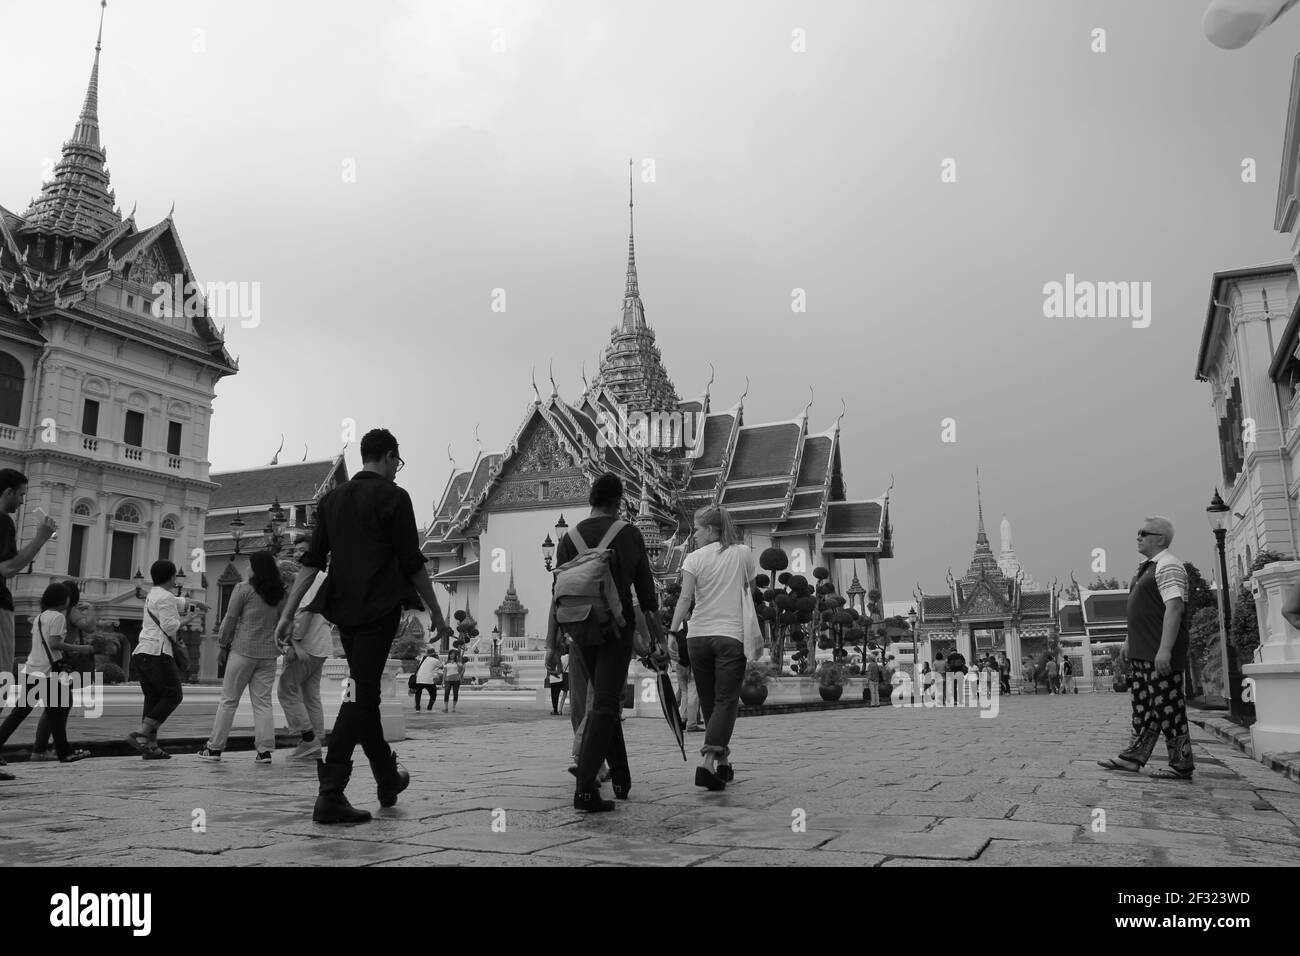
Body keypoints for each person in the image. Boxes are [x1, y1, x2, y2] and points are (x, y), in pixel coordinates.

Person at [276, 428, 447, 824]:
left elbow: (311, 563)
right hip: (378, 609)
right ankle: (330, 791)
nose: (396, 471)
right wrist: (437, 614)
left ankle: (386, 777)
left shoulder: (333, 500)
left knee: (363, 692)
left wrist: (288, 613)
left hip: (344, 611)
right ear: (388, 457)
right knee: (358, 694)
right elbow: (412, 562)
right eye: (397, 463)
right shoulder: (395, 497)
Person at [546, 472, 659, 812]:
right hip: (614, 628)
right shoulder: (629, 534)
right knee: (607, 704)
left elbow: (556, 594)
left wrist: (552, 645)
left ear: (591, 501)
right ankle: (585, 791)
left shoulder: (570, 537)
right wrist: (658, 639)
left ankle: (621, 776)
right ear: (618, 502)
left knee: (604, 703)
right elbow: (647, 596)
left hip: (578, 629)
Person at [1098, 517, 1195, 780]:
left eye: (1144, 533)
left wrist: (1165, 649)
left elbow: (1174, 608)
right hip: (1143, 651)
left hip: (1159, 652)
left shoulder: (1169, 565)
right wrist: (1130, 640)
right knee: (1145, 708)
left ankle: (1181, 764)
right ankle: (1133, 757)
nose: (1138, 537)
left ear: (1160, 539)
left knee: (1168, 708)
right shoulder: (1145, 569)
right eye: (1138, 533)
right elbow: (1141, 611)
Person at [667, 505, 757, 791]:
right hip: (729, 636)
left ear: (711, 529)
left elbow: (685, 599)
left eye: (697, 528)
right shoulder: (742, 553)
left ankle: (722, 764)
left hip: (697, 637)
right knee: (725, 701)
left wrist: (671, 631)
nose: (693, 534)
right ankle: (707, 764)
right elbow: (750, 590)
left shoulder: (693, 559)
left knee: (710, 702)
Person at [197, 551, 285, 763]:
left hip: (243, 651)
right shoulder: (280, 594)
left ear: (256, 568)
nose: (247, 568)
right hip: (268, 655)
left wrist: (222, 645)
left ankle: (215, 748)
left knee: (228, 701)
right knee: (263, 703)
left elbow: (230, 619)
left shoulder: (243, 589)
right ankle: (264, 751)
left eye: (250, 565)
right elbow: (283, 623)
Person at [0, 581, 91, 774]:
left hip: (33, 670)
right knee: (57, 713)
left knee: (20, 714)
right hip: (50, 672)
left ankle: (63, 752)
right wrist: (80, 648)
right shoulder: (58, 617)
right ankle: (64, 753)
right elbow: (55, 643)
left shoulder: (40, 616)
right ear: (62, 600)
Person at [127, 561, 200, 759]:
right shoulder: (166, 596)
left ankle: (150, 746)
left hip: (142, 651)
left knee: (153, 698)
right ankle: (141, 734)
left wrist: (191, 602)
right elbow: (169, 626)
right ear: (171, 577)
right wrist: (186, 620)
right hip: (157, 653)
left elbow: (171, 602)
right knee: (173, 695)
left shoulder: (152, 593)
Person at [0, 469, 58, 690]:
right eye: (21, 494)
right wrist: (41, 537)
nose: (22, 501)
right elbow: (7, 568)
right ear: (8, 492)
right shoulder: (3, 521)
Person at [277, 548, 333, 760]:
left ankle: (308, 739)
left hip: (307, 646)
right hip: (322, 643)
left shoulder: (306, 580)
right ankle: (316, 739)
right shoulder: (323, 577)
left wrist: (296, 644)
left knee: (286, 689)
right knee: (310, 693)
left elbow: (305, 612)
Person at [674, 624, 702, 731]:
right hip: (691, 666)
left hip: (679, 664)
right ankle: (691, 723)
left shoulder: (677, 633)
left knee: (684, 693)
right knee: (693, 695)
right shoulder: (695, 631)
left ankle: (682, 719)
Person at [413, 647, 443, 712]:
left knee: (418, 693)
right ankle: (429, 708)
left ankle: (417, 708)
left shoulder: (422, 658)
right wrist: (437, 658)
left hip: (419, 679)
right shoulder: (436, 660)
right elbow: (441, 666)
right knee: (433, 694)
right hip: (429, 680)